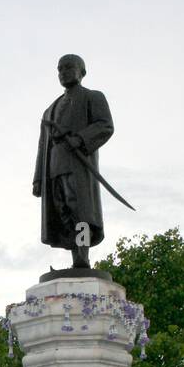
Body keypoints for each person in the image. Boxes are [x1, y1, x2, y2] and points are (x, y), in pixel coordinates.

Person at [32, 54, 114, 270]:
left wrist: (79, 139)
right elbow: (42, 146)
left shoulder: (93, 97)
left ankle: (82, 255)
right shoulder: (50, 110)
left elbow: (105, 125)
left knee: (81, 212)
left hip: (78, 163)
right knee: (62, 211)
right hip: (54, 166)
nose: (63, 72)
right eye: (60, 69)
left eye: (68, 67)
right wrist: (38, 179)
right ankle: (74, 253)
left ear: (82, 72)